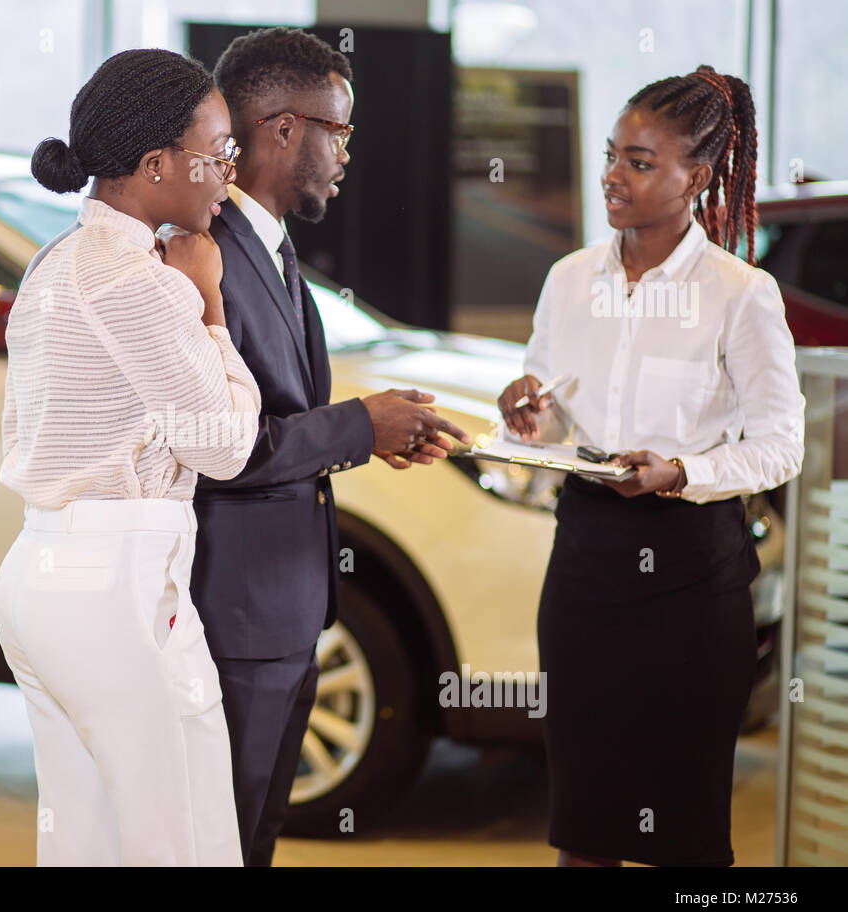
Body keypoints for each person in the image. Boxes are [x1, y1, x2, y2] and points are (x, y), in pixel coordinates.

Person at [497, 65, 804, 867]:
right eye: (612, 156)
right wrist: (529, 413)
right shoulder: (568, 281)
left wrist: (680, 472)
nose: (612, 176)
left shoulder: (741, 294)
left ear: (695, 178)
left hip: (694, 575)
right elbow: (549, 413)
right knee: (585, 822)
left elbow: (781, 444)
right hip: (586, 563)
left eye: (639, 161)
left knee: (685, 831)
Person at [191, 27, 470, 866]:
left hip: (287, 609)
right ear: (281, 129)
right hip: (232, 612)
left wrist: (373, 435)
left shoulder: (270, 248)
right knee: (220, 841)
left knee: (256, 837)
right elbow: (224, 447)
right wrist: (359, 424)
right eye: (339, 131)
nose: (349, 153)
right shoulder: (207, 257)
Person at [0, 48, 262, 866]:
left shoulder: (58, 260)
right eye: (219, 154)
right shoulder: (137, 281)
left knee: (87, 842)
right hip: (112, 586)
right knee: (176, 840)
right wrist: (211, 304)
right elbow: (223, 448)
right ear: (156, 166)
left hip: (47, 572)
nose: (229, 176)